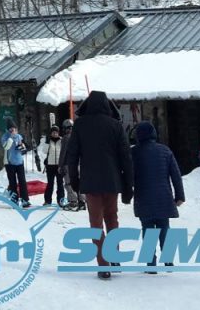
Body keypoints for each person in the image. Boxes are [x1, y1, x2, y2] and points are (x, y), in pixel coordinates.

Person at [65, 91, 133, 279]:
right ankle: (114, 256)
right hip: (112, 181)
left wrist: (75, 180)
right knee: (112, 219)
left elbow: (72, 156)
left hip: (91, 182)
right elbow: (126, 157)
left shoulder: (80, 125)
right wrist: (128, 185)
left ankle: (104, 265)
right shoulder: (115, 125)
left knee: (96, 223)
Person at [131, 121, 184, 271]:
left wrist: (127, 191)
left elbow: (129, 174)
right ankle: (168, 260)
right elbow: (176, 175)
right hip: (163, 196)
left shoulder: (134, 152)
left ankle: (151, 263)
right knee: (164, 227)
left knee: (147, 229)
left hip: (143, 197)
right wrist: (180, 195)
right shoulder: (165, 151)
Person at [1, 122, 30, 208]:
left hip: (19, 162)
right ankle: (14, 200)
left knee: (22, 181)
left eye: (14, 128)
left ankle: (25, 200)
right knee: (12, 182)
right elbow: (6, 147)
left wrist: (22, 146)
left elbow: (25, 147)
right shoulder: (5, 137)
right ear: (8, 129)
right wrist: (11, 138)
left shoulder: (19, 136)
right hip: (9, 163)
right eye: (11, 129)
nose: (13, 130)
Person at [60, 118, 85, 211]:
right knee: (79, 182)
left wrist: (60, 165)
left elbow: (63, 153)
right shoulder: (79, 136)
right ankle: (82, 201)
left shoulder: (66, 138)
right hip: (78, 163)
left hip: (68, 163)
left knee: (69, 183)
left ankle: (73, 201)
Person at [42, 124, 65, 206]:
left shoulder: (61, 140)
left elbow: (64, 151)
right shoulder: (48, 141)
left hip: (59, 165)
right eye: (53, 132)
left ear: (58, 133)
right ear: (51, 133)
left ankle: (61, 200)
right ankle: (47, 201)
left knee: (60, 183)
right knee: (50, 184)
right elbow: (44, 151)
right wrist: (47, 142)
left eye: (56, 132)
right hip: (50, 165)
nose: (55, 134)